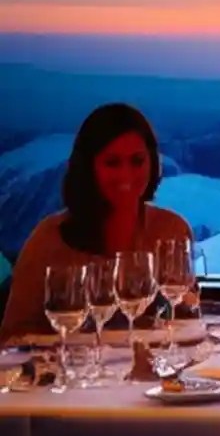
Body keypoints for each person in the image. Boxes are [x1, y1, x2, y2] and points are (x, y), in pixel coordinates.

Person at [0, 103, 193, 343]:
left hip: (153, 374)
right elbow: (12, 336)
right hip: (71, 375)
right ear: (89, 168)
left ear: (152, 163)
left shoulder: (171, 230)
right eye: (112, 162)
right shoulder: (50, 239)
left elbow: (188, 319)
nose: (126, 174)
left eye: (137, 161)